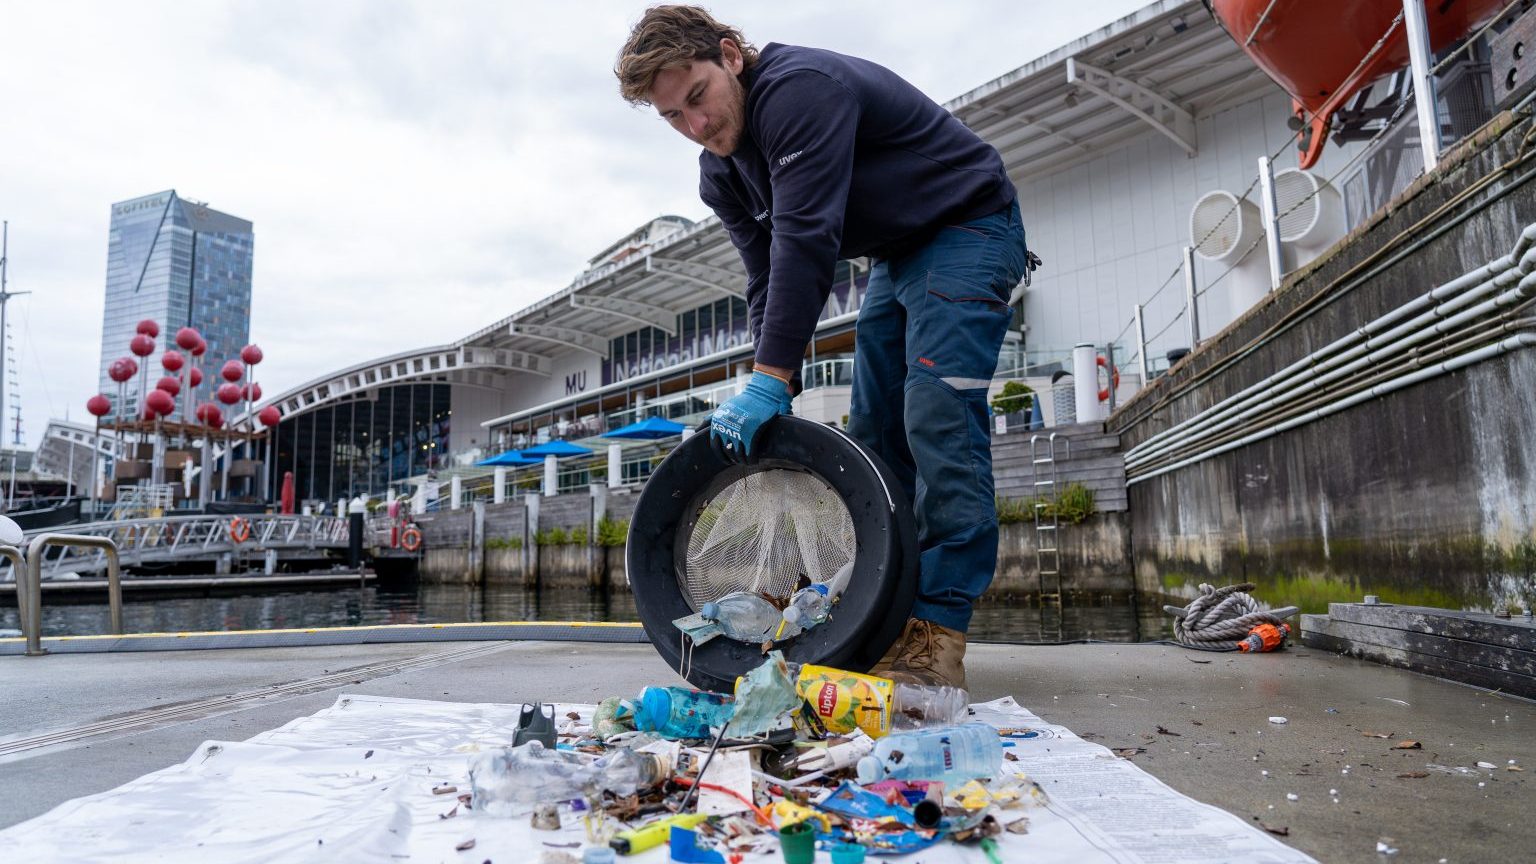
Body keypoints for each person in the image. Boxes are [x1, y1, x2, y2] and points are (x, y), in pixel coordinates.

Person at [616, 6, 1033, 689]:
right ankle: (888, 619)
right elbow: (765, 275)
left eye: (698, 96)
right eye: (673, 117)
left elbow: (806, 240)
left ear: (730, 55)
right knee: (874, 435)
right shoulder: (719, 174)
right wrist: (774, 380)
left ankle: (935, 635)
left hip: (968, 224)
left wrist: (770, 375)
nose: (697, 124)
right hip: (897, 256)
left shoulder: (798, 91)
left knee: (936, 411)